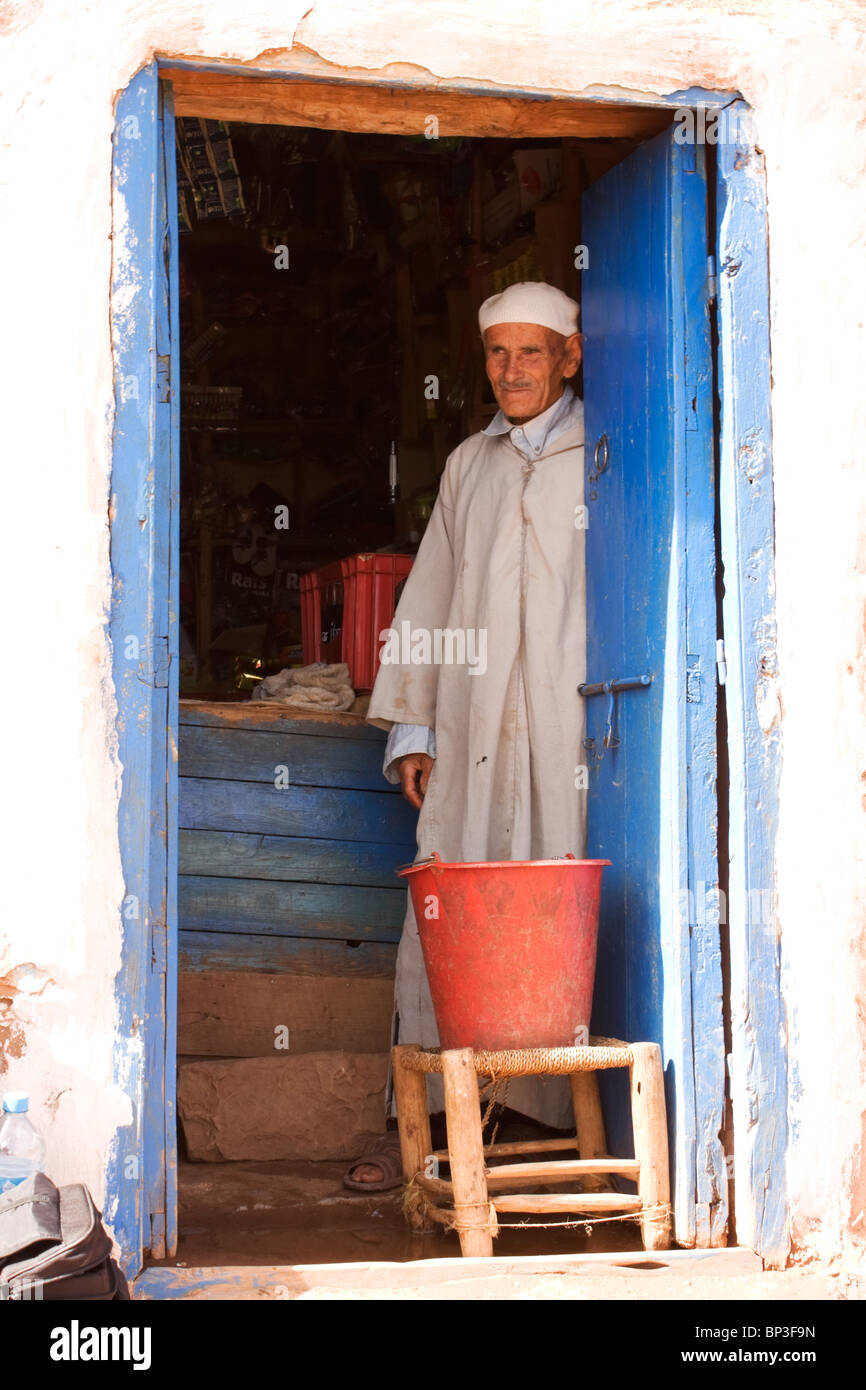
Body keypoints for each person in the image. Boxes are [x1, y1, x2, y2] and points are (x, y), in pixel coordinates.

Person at [344, 282, 587, 1189]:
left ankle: (545, 1115)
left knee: (558, 897)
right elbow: (433, 596)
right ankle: (434, 1118)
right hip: (474, 723)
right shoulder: (466, 465)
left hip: (572, 727)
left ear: (570, 355)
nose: (511, 372)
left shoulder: (604, 449)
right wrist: (414, 721)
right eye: (496, 354)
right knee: (454, 895)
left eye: (531, 354)